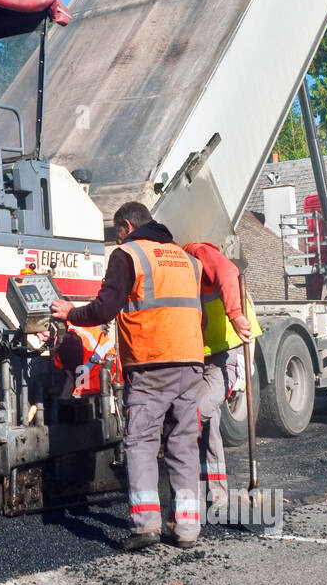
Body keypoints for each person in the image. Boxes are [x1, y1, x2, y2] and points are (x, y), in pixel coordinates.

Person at [50, 201, 204, 550]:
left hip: (152, 362)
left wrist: (70, 312)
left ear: (127, 226)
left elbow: (105, 308)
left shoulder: (128, 255)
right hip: (191, 361)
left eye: (117, 232)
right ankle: (187, 528)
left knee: (142, 442)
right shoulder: (187, 260)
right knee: (182, 443)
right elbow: (198, 315)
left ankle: (146, 524)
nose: (117, 239)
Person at [181, 242, 259, 514]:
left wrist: (236, 316)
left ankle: (187, 485)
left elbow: (226, 272)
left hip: (228, 349)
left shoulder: (195, 251)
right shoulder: (176, 262)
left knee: (195, 413)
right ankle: (217, 496)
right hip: (202, 354)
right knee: (210, 426)